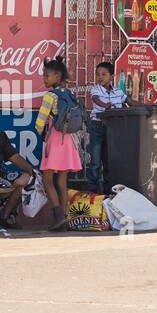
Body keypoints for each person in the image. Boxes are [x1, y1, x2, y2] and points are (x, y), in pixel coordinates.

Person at [35, 56, 83, 232]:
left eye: (47, 75)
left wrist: (41, 132)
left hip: (54, 140)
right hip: (68, 140)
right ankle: (64, 219)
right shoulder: (69, 94)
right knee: (62, 182)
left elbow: (40, 122)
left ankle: (57, 216)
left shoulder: (50, 96)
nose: (44, 79)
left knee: (47, 181)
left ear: (57, 76)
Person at [86, 61, 129, 192]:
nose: (100, 77)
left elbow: (130, 101)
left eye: (103, 74)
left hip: (113, 129)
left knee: (109, 161)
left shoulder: (118, 91)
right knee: (95, 161)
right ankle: (93, 191)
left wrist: (146, 106)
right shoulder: (95, 89)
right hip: (97, 127)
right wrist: (106, 106)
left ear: (111, 76)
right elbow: (96, 100)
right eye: (98, 74)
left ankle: (108, 191)